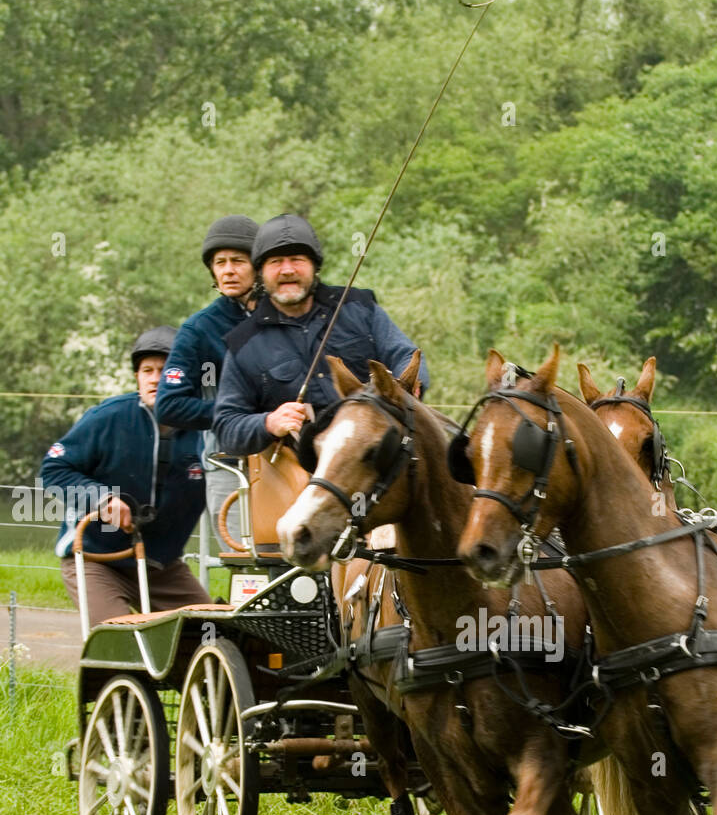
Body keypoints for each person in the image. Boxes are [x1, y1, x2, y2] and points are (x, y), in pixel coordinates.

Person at [212, 213, 428, 458]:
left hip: (382, 451)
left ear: (315, 267)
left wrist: (405, 387)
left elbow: (406, 355)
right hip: (301, 468)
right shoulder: (243, 343)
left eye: (297, 259)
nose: (287, 270)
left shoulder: (359, 307)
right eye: (276, 262)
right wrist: (269, 422)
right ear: (261, 272)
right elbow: (226, 426)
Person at [42, 327, 211, 624]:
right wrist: (102, 500)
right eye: (147, 370)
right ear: (137, 377)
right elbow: (54, 469)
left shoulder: (205, 430)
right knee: (121, 642)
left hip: (162, 565)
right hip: (96, 560)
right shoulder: (107, 418)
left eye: (167, 369)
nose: (156, 378)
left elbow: (228, 481)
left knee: (210, 631)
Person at [155, 214, 260, 549]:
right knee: (247, 564)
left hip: (292, 459)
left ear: (258, 266)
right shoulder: (199, 329)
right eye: (220, 263)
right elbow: (169, 405)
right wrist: (234, 415)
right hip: (229, 465)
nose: (228, 270)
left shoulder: (287, 316)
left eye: (238, 261)